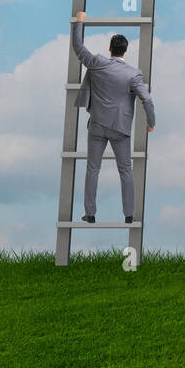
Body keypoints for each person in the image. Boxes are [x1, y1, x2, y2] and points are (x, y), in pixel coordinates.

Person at [71, 12, 156, 223]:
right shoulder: (133, 74)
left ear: (110, 48)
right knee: (125, 171)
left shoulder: (97, 63)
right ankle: (129, 215)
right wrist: (151, 122)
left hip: (98, 125)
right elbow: (147, 100)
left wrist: (80, 22)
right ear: (125, 50)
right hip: (121, 128)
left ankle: (90, 214)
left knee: (93, 169)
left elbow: (78, 47)